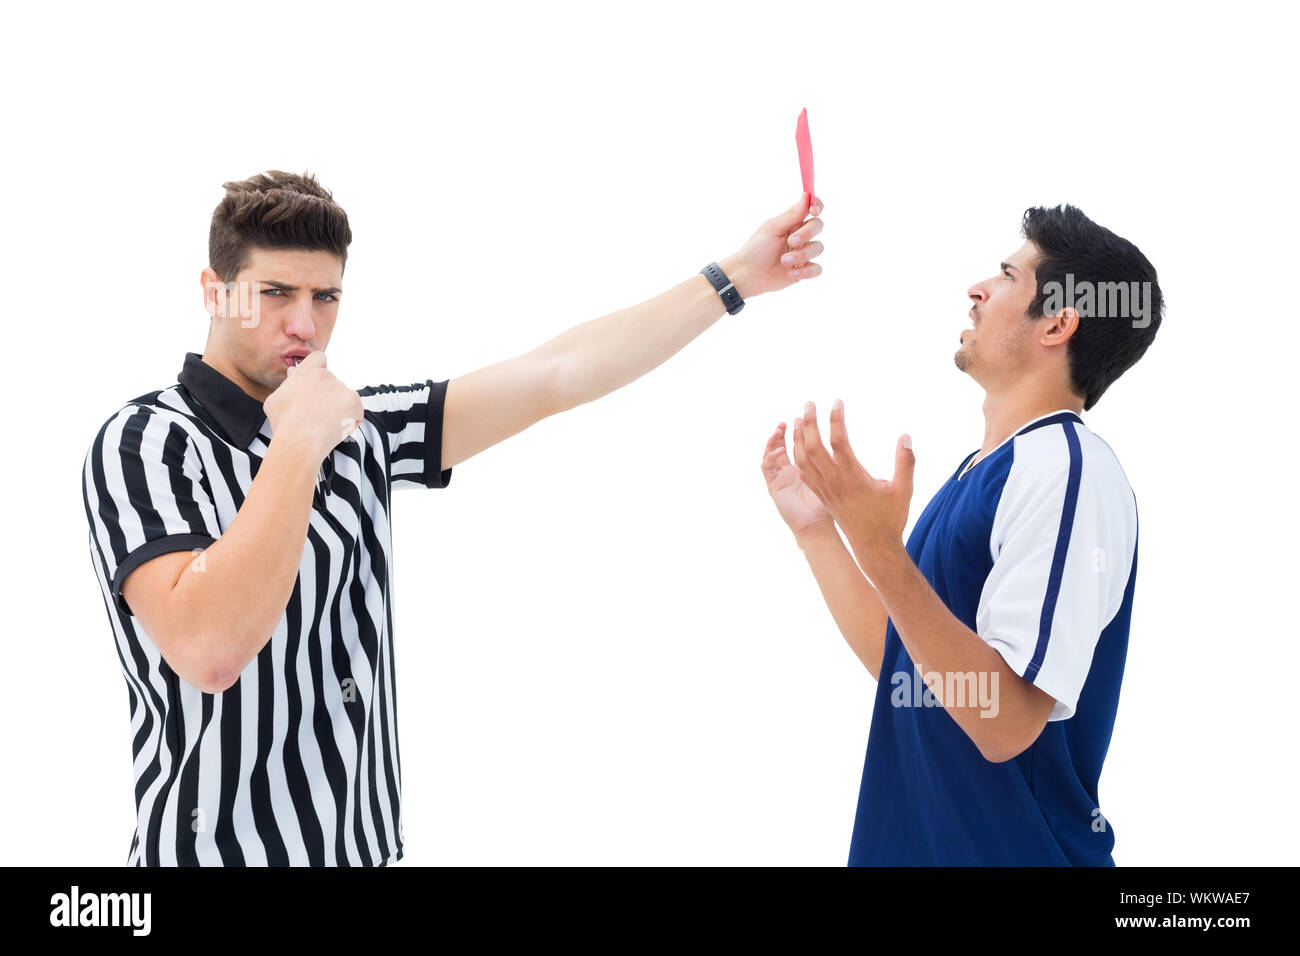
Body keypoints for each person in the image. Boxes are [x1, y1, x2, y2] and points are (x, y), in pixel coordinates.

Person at [82, 169, 825, 866]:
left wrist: (735, 279)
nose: (305, 325)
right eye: (275, 292)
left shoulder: (358, 429)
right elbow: (211, 649)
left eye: (328, 297)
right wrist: (300, 440)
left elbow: (555, 373)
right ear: (216, 292)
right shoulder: (148, 441)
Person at [761, 205, 1162, 865]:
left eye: (1006, 276)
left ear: (1059, 323)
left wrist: (882, 549)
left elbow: (1004, 721)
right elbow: (910, 673)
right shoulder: (988, 471)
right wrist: (821, 535)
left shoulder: (1067, 468)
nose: (977, 289)